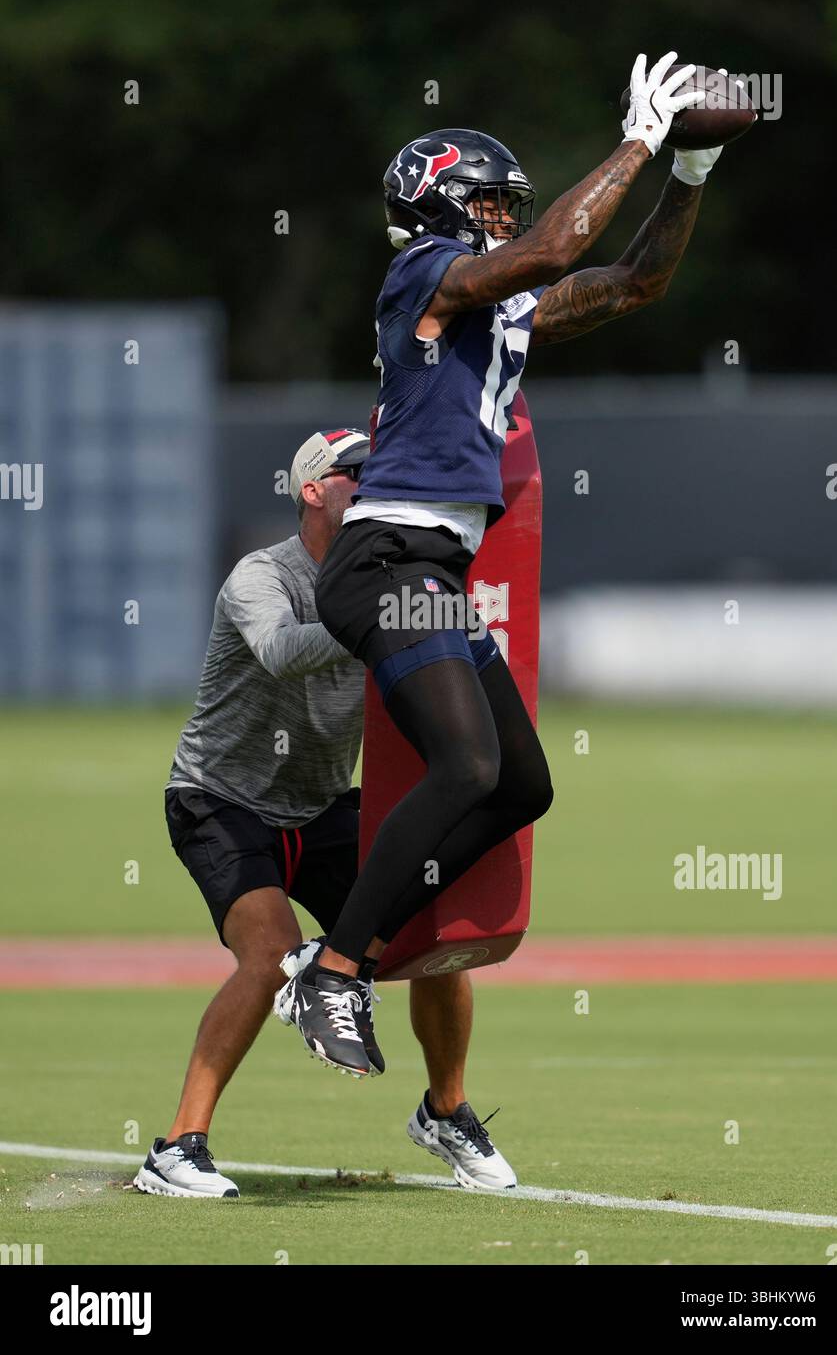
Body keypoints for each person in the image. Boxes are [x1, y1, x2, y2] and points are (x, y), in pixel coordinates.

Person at [283, 52, 721, 1075]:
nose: (502, 218)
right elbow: (553, 248)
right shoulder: (420, 275)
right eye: (486, 202)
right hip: (386, 556)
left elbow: (633, 280)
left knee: (517, 782)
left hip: (429, 570)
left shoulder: (492, 307)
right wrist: (639, 134)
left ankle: (351, 941)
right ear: (438, 203)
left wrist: (687, 171)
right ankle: (336, 969)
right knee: (468, 764)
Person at [133, 428, 516, 1199]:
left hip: (320, 802)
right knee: (272, 952)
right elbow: (278, 650)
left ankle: (444, 1110)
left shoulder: (389, 578)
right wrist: (387, 625)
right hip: (222, 799)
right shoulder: (261, 575)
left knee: (425, 932)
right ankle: (176, 1149)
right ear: (312, 489)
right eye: (356, 476)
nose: (374, 490)